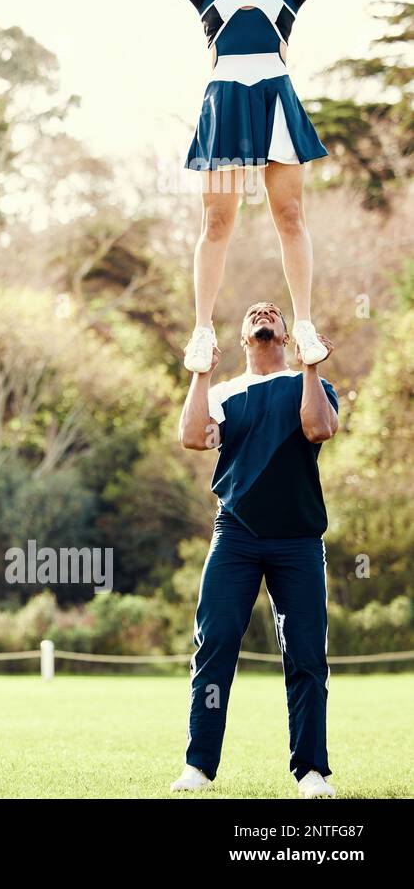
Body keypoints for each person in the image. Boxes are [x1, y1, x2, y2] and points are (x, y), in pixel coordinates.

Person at [106, 0, 399, 374]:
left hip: (276, 104)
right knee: (216, 222)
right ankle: (201, 332)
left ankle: (303, 325)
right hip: (225, 107)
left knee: (290, 217)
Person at [174, 301, 339, 797]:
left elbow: (318, 428)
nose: (264, 312)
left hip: (298, 539)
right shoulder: (225, 392)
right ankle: (198, 767)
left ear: (286, 336)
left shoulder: (310, 385)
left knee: (307, 654)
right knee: (215, 643)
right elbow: (191, 436)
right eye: (254, 313)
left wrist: (311, 363)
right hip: (237, 537)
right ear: (243, 340)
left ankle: (312, 771)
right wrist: (200, 372)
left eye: (273, 313)